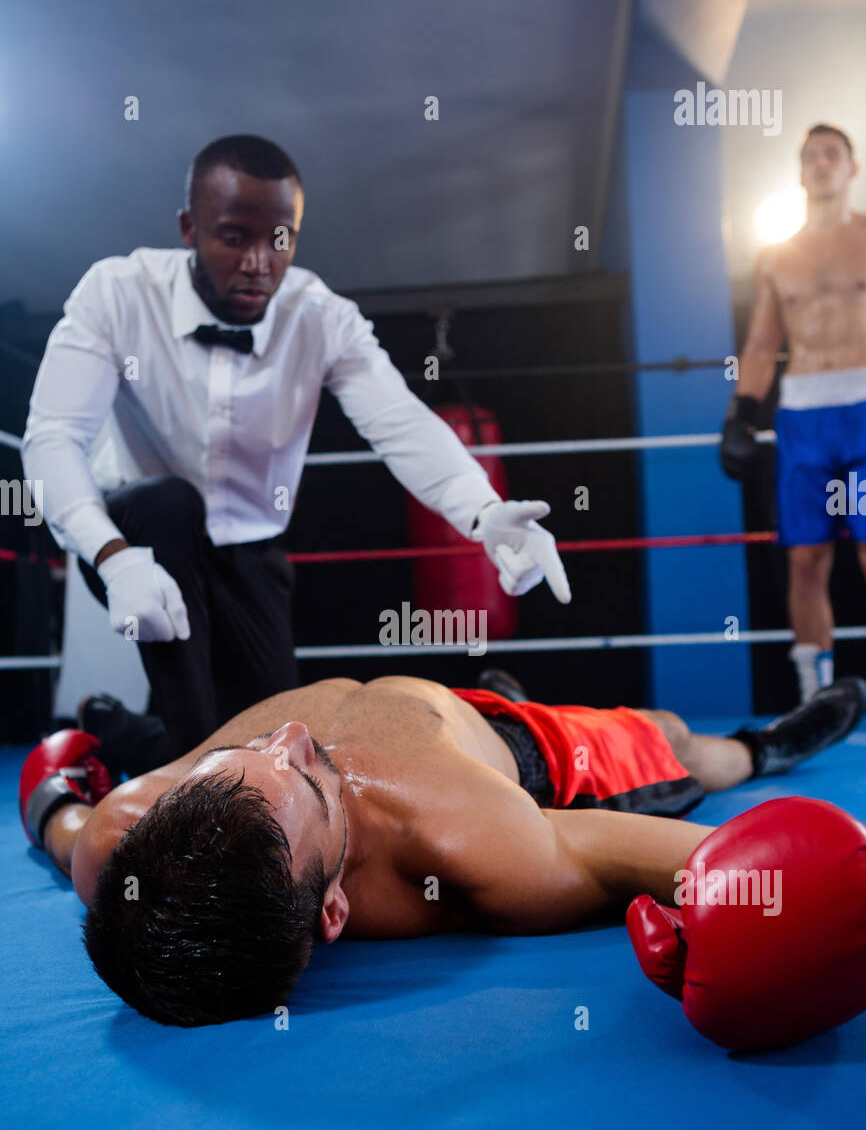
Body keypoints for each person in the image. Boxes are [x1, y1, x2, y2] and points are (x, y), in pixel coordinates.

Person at [21, 134, 569, 762]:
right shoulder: (117, 292)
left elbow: (400, 420)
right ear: (188, 229)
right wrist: (112, 557)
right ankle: (191, 783)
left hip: (251, 553)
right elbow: (53, 437)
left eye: (279, 238)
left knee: (274, 741)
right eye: (234, 237)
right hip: (138, 536)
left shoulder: (320, 316)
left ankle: (114, 727)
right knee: (170, 513)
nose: (260, 261)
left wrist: (483, 511)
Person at [20, 672, 866, 1030]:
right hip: (529, 752)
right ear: (334, 908)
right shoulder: (467, 840)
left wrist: (53, 795)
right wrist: (769, 919)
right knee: (671, 739)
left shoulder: (121, 839)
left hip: (433, 706)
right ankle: (767, 743)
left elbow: (58, 821)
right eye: (308, 780)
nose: (292, 733)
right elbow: (686, 856)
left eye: (229, 759)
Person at [721, 123, 866, 704]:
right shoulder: (778, 258)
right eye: (811, 156)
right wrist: (741, 413)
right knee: (805, 558)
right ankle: (816, 696)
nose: (821, 163)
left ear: (851, 169)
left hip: (863, 407)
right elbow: (761, 344)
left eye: (833, 154)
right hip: (804, 412)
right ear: (800, 172)